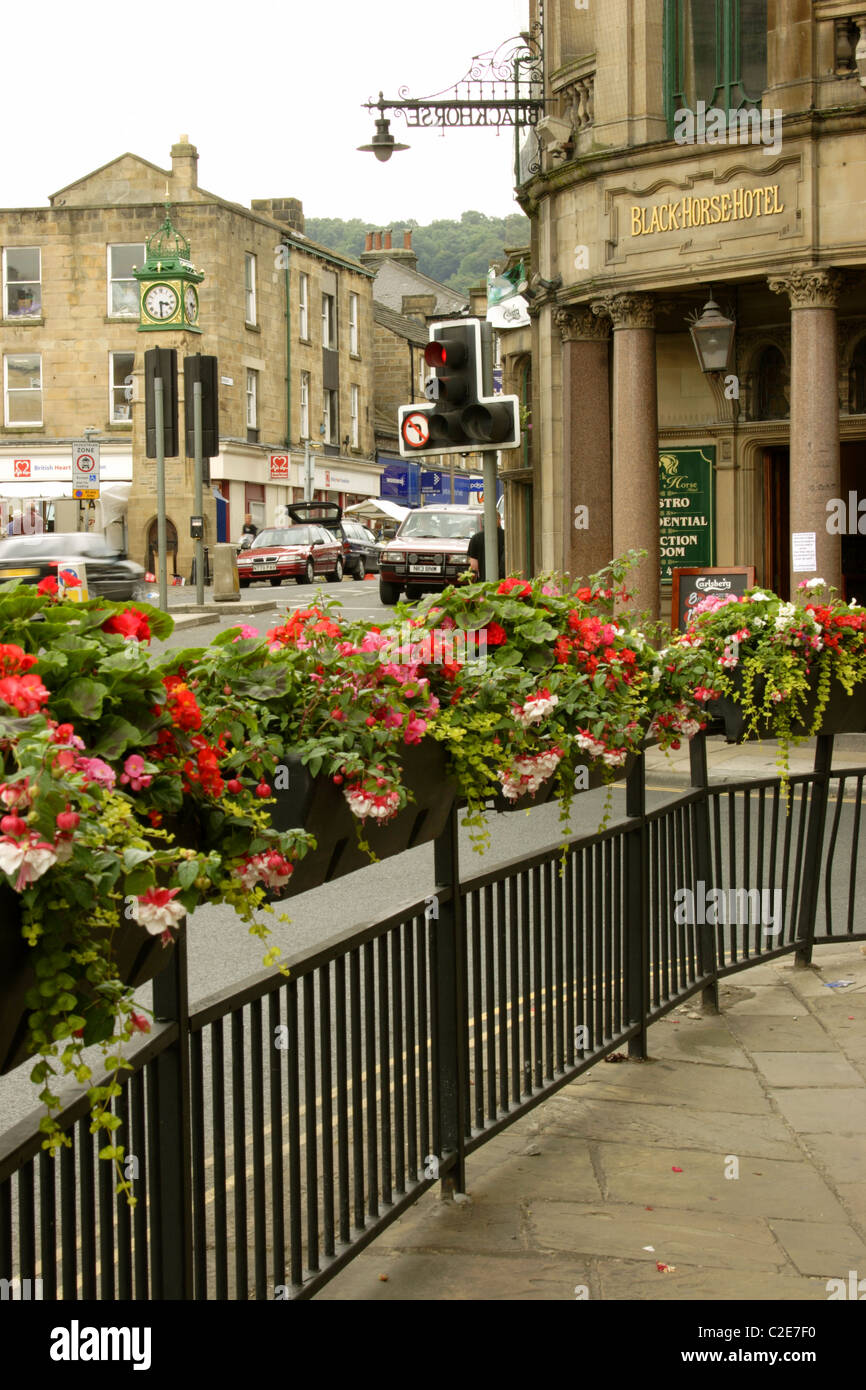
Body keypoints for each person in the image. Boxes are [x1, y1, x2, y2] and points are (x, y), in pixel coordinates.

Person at [467, 512, 505, 582]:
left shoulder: (475, 538)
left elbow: (474, 566)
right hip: (504, 583)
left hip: (484, 583)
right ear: (499, 520)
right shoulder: (507, 536)